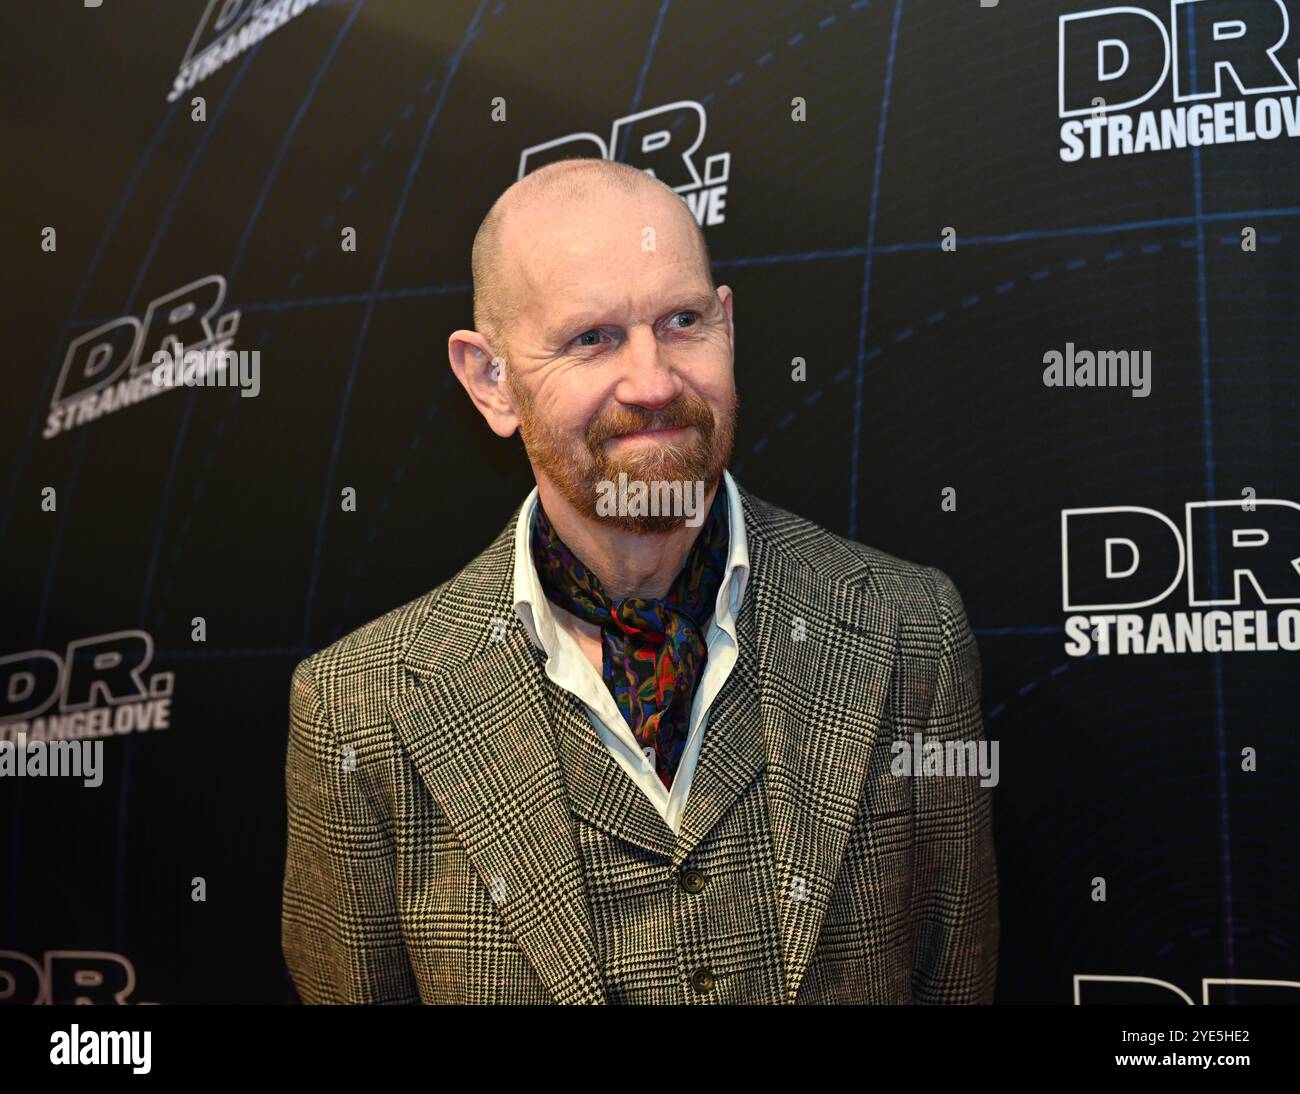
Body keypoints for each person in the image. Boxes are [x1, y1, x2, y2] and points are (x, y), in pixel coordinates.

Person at [282, 157, 999, 1004]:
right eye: (592, 338)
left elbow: (956, 981)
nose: (653, 383)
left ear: (727, 327)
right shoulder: (358, 710)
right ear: (491, 380)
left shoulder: (910, 632)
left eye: (682, 320)